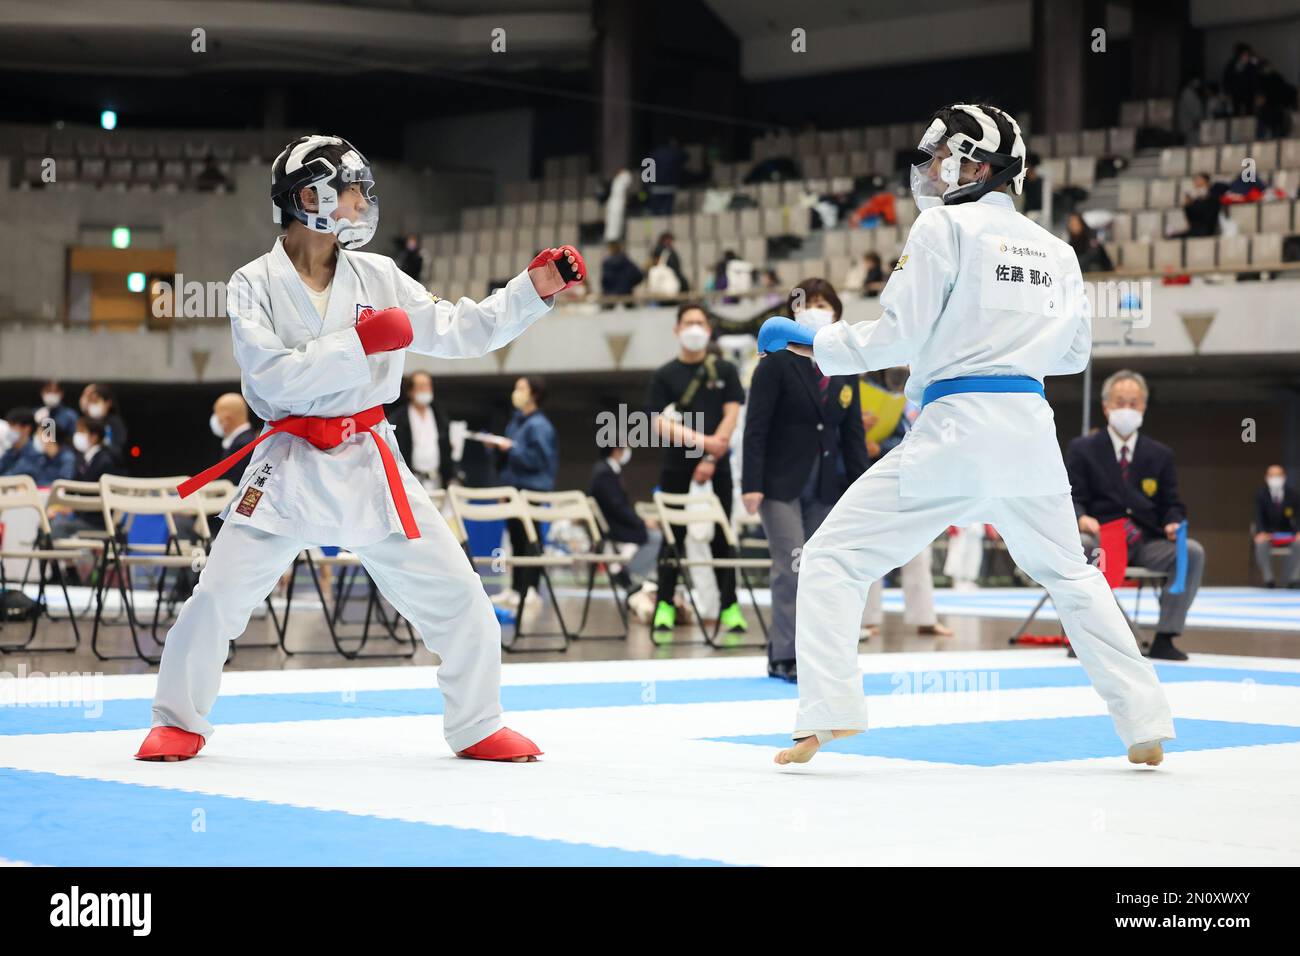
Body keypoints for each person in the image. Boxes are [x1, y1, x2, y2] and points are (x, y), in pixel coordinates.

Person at [134, 133, 585, 764]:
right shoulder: (251, 283)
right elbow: (271, 379)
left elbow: (460, 330)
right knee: (214, 599)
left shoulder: (378, 275)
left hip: (369, 457)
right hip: (287, 462)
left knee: (463, 598)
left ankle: (477, 722)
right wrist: (360, 343)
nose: (360, 200)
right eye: (349, 188)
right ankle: (178, 719)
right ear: (308, 196)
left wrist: (530, 290)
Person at [756, 103, 1173, 768]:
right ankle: (1146, 721)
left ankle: (827, 715)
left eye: (950, 156)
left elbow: (897, 336)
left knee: (832, 558)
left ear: (981, 163)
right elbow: (1070, 357)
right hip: (1030, 432)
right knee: (1071, 576)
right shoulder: (1058, 250)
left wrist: (813, 341)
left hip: (955, 429)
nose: (941, 169)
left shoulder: (942, 228)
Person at [742, 279, 869, 680]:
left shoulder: (845, 368)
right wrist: (750, 483)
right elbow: (755, 426)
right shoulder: (777, 361)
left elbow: (853, 437)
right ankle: (783, 654)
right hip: (779, 483)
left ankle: (815, 655)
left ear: (836, 313)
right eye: (808, 303)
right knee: (791, 565)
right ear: (794, 312)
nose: (816, 309)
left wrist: (863, 487)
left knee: (820, 571)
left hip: (826, 487)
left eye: (823, 303)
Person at [1067, 370, 1204, 662]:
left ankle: (1166, 637)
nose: (1127, 409)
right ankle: (1086, 636)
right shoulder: (1083, 449)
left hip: (1146, 542)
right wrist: (1081, 517)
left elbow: (1172, 503)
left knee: (1190, 552)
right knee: (1081, 546)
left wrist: (1173, 521)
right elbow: (1072, 497)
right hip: (1102, 538)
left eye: (1134, 402)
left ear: (1143, 407)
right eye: (1120, 402)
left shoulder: (1160, 454)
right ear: (1106, 407)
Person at [646, 302, 747, 637]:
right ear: (677, 330)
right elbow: (658, 423)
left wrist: (712, 452)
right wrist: (703, 442)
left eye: (700, 322)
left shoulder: (725, 371)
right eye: (687, 322)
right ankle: (664, 605)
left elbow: (732, 412)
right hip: (676, 465)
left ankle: (730, 607)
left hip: (717, 465)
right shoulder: (664, 375)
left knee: (723, 537)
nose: (694, 328)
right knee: (672, 537)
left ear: (708, 330)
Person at [860, 369, 953, 639]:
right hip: (864, 480)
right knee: (870, 551)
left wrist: (880, 446)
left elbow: (906, 438)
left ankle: (925, 617)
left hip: (904, 481)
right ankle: (868, 619)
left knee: (918, 552)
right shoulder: (854, 393)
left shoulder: (900, 405)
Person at [488, 375, 558, 607]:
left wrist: (512, 449)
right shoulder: (516, 422)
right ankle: (516, 588)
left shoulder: (540, 426)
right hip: (514, 489)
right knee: (515, 541)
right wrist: (498, 449)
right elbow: (509, 461)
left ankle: (531, 588)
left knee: (530, 540)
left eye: (521, 388)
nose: (516, 392)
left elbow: (539, 460)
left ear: (534, 394)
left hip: (531, 490)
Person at [588, 444, 661, 591]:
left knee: (654, 536)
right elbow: (617, 507)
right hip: (613, 528)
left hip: (617, 524)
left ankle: (631, 575)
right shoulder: (604, 473)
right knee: (657, 538)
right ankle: (629, 575)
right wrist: (641, 522)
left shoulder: (607, 471)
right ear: (616, 450)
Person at [390, 371, 454, 491]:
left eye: (428, 386)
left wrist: (450, 476)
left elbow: (446, 448)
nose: (425, 390)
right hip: (411, 480)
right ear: (410, 391)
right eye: (420, 386)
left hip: (437, 480)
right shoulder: (399, 418)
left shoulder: (439, 415)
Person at [1254, 464, 1299, 588]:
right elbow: (1258, 516)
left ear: (1284, 477)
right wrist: (1261, 532)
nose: (1275, 478)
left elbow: (1298, 516)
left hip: (1289, 534)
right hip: (1269, 535)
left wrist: (1298, 532)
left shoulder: (1293, 495)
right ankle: (1269, 579)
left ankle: (1294, 579)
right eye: (1272, 475)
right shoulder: (1261, 495)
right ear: (1266, 477)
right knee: (1260, 543)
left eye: (1278, 475)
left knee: (1299, 543)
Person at [210, 393, 256, 485]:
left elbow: (232, 482)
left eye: (217, 415)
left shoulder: (243, 445)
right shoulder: (240, 442)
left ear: (227, 419)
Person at [80, 383, 128, 462]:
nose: (93, 405)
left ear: (108, 403)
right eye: (90, 401)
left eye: (96, 401)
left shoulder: (115, 423)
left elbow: (118, 450)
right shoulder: (84, 422)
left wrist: (99, 449)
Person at [1174, 173, 1220, 238]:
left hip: (1205, 229)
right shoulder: (1194, 198)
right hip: (1195, 228)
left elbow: (1208, 214)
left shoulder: (1213, 195)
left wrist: (1193, 203)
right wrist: (1188, 205)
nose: (1196, 181)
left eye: (1199, 179)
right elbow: (1190, 218)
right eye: (1195, 180)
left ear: (1206, 181)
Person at [0, 409, 43, 478]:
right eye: (9, 426)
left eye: (13, 425)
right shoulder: (10, 452)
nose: (9, 430)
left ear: (26, 428)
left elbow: (12, 477)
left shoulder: (34, 454)